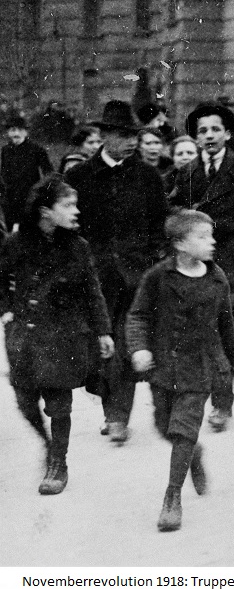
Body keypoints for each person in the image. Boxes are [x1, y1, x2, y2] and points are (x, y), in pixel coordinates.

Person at [127, 210, 234, 532]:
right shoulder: (157, 277)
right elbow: (138, 315)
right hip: (164, 365)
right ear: (180, 244)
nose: (212, 242)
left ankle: (172, 497)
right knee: (164, 426)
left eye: (211, 235)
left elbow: (225, 321)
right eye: (202, 237)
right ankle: (193, 454)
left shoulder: (217, 278)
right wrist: (139, 348)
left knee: (184, 428)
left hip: (200, 365)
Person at [65, 100, 170, 444]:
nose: (131, 142)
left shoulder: (148, 176)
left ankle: (117, 416)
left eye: (134, 136)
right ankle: (110, 405)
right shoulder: (77, 177)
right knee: (97, 347)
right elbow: (68, 229)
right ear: (104, 135)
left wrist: (154, 261)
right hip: (93, 278)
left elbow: (160, 225)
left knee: (124, 344)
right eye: (124, 135)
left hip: (136, 275)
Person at [1, 176, 113, 495]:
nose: (76, 211)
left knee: (59, 401)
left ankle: (58, 463)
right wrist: (6, 310)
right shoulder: (16, 243)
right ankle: (47, 443)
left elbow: (93, 292)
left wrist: (103, 331)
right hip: (24, 333)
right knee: (25, 401)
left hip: (64, 334)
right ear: (46, 211)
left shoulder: (78, 247)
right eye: (67, 205)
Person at [169, 103, 234, 431]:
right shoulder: (187, 172)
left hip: (233, 260)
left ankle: (221, 404)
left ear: (227, 134)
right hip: (196, 258)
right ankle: (197, 398)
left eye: (216, 129)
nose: (209, 136)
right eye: (202, 131)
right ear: (195, 137)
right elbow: (174, 208)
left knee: (220, 333)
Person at [1, 114, 53, 230]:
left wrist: (39, 191)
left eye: (20, 130)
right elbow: (4, 173)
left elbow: (49, 173)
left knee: (29, 230)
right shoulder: (6, 150)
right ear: (8, 132)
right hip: (11, 199)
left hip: (30, 198)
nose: (16, 133)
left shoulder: (37, 149)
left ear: (26, 132)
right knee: (11, 231)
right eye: (12, 130)